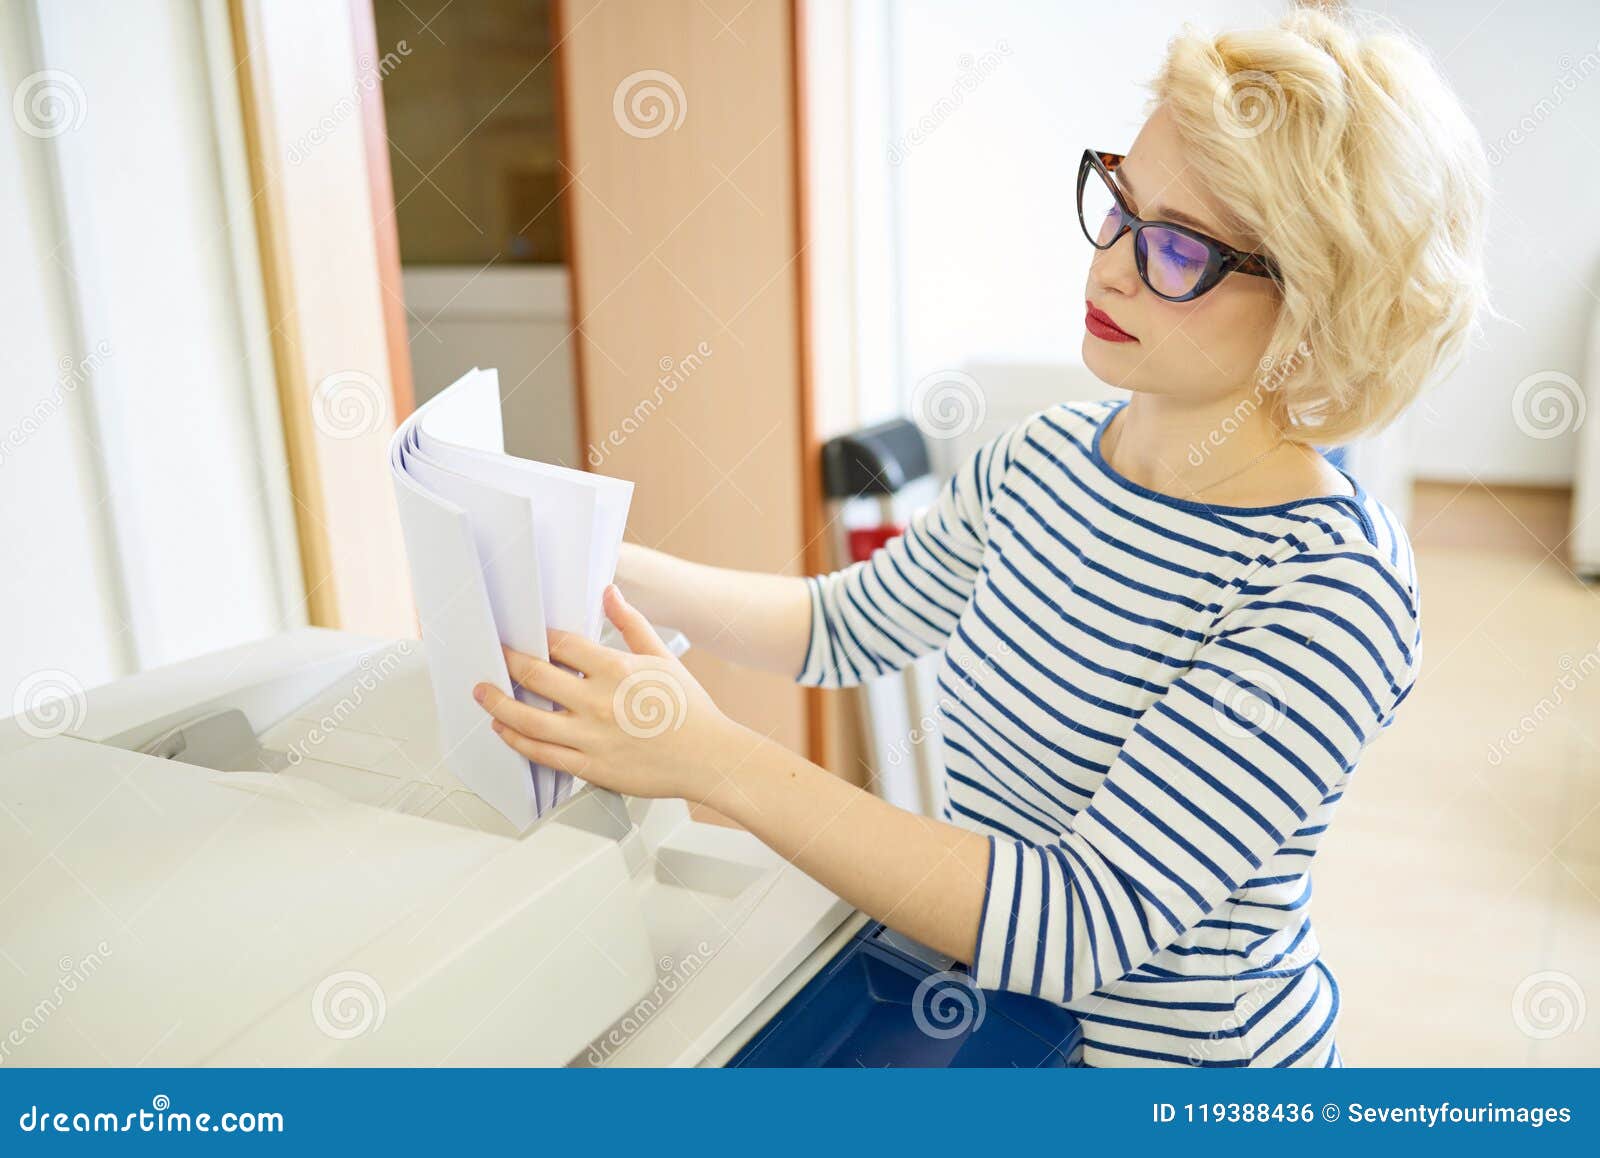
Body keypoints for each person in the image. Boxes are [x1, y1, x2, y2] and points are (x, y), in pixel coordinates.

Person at [472, 7, 1489, 1066]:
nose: (1108, 269)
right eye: (1119, 205)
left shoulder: (1329, 588)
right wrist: (599, 560)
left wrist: (714, 762)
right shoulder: (1043, 457)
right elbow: (843, 625)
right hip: (1002, 1030)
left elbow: (1078, 925)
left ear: (1319, 309)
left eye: (1179, 249)